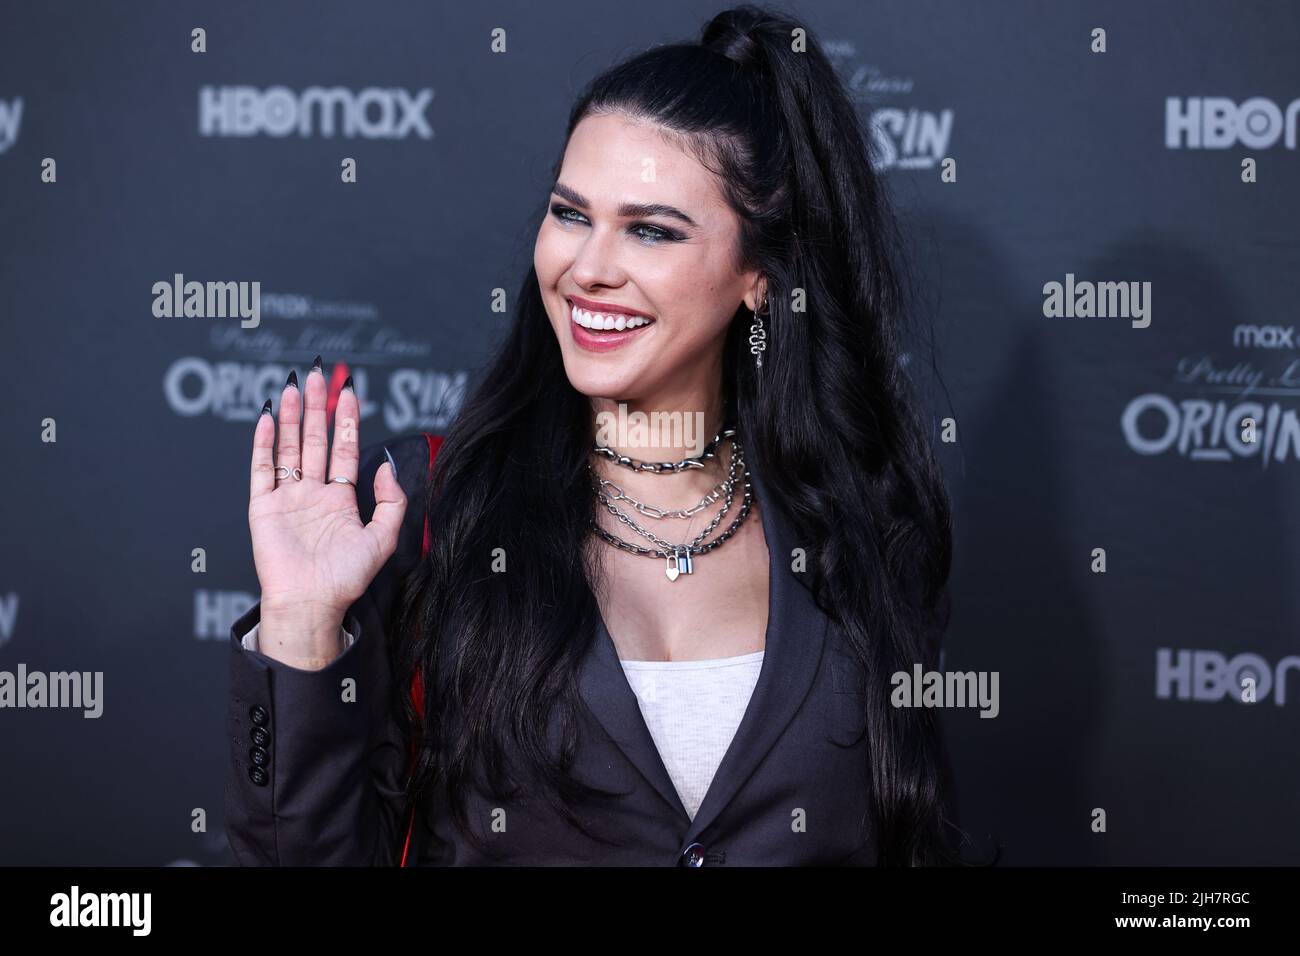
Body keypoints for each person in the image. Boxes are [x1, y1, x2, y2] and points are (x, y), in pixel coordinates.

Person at [226, 4, 963, 866]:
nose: (589, 267)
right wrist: (303, 628)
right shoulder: (432, 512)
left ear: (760, 278)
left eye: (650, 230)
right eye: (571, 214)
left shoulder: (862, 526)